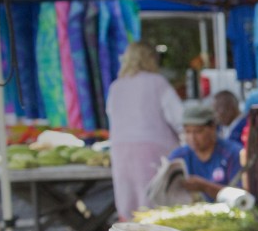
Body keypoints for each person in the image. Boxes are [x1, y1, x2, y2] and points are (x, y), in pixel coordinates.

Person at [104, 40, 183, 221]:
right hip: (153, 150)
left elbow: (112, 117)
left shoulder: (116, 87)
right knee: (155, 204)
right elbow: (179, 118)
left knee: (129, 203)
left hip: (121, 151)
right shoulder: (157, 83)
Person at [168, 105, 244, 201]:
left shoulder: (233, 153)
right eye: (187, 132)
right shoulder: (179, 157)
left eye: (198, 132)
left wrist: (205, 187)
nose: (192, 138)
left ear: (212, 128)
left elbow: (241, 197)